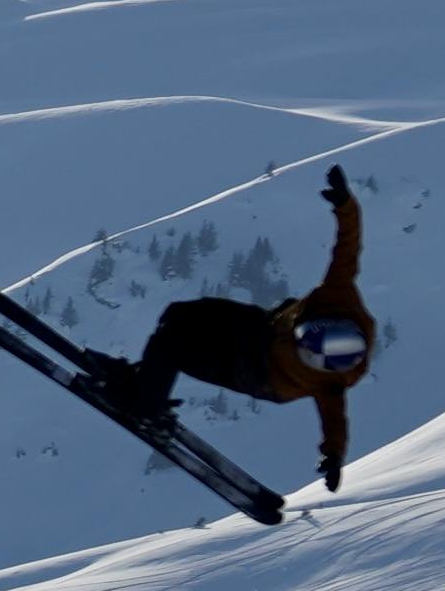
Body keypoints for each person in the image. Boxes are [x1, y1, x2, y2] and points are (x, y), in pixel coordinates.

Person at [105, 164, 376, 490]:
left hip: (258, 375)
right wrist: (345, 204)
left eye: (306, 353)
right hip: (261, 328)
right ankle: (145, 385)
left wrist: (333, 458)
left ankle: (147, 403)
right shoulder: (338, 294)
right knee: (178, 315)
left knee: (173, 345)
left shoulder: (331, 381)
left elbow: (336, 423)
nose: (301, 346)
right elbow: (349, 244)